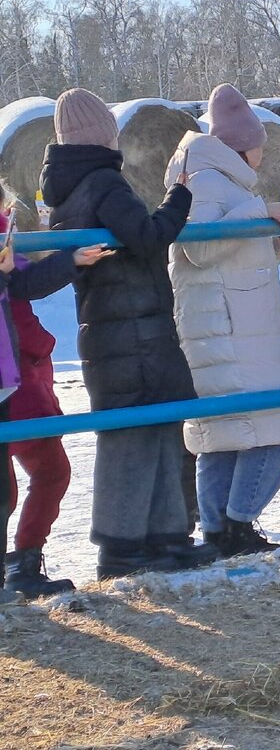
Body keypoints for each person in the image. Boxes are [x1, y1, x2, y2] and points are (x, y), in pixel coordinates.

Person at [39, 88, 218, 580]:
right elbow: (146, 237)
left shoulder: (71, 188)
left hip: (120, 329)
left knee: (154, 430)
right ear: (103, 135)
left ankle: (162, 537)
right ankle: (123, 548)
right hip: (132, 331)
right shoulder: (103, 184)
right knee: (135, 439)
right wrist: (179, 198)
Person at [165, 84, 280, 558]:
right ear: (242, 145)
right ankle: (236, 524)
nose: (262, 156)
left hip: (229, 323)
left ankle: (220, 530)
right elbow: (201, 246)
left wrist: (276, 242)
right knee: (273, 428)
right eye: (259, 146)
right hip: (229, 329)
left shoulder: (212, 179)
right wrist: (260, 210)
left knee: (225, 435)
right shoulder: (209, 181)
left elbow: (233, 264)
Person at [0, 205, 108, 599]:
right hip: (16, 373)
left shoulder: (6, 241)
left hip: (26, 368)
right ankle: (23, 563)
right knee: (47, 470)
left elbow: (27, 281)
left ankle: (20, 564)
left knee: (19, 480)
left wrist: (70, 258)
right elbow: (23, 282)